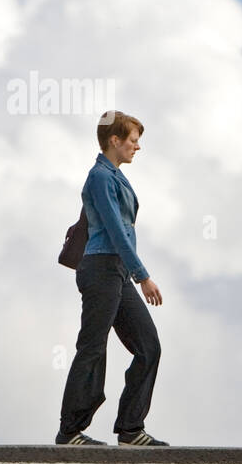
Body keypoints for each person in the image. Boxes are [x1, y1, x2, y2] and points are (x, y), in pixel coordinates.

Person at [56, 110, 167, 446]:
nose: (138, 146)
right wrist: (143, 276)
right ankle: (70, 430)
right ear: (114, 141)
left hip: (116, 271)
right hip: (102, 269)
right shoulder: (100, 177)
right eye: (133, 140)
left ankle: (131, 428)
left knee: (148, 346)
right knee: (92, 347)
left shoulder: (114, 175)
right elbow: (117, 232)